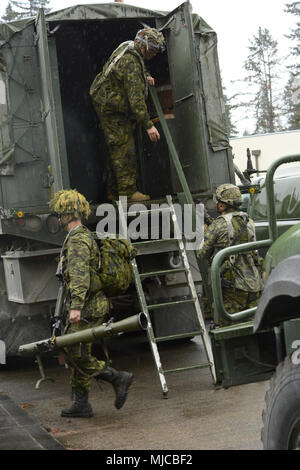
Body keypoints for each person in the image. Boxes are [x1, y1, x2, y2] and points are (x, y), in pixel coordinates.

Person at [50, 189, 133, 418]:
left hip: (88, 306)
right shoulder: (81, 235)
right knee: (78, 350)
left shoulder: (77, 239)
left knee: (72, 350)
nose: (58, 218)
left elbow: (79, 276)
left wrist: (76, 307)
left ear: (67, 215)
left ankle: (117, 378)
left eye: (60, 213)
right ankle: (82, 404)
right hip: (91, 304)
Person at [89, 28, 165, 202]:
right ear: (143, 47)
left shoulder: (129, 47)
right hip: (112, 110)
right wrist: (149, 126)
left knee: (115, 148)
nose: (153, 55)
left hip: (108, 103)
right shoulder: (130, 63)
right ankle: (128, 193)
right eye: (152, 51)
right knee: (124, 149)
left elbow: (138, 65)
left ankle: (114, 192)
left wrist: (145, 75)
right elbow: (136, 100)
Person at [197, 184, 263, 326]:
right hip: (254, 286)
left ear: (221, 206)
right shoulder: (249, 221)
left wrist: (205, 234)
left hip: (232, 290)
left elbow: (202, 254)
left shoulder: (218, 225)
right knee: (253, 327)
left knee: (227, 329)